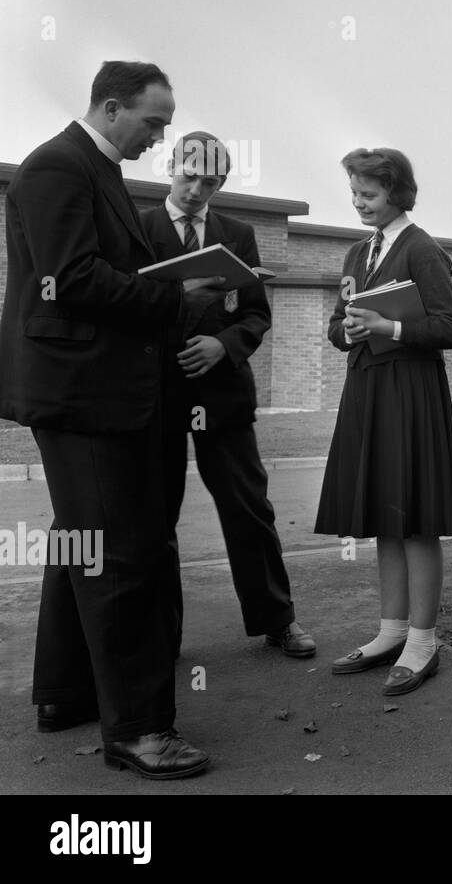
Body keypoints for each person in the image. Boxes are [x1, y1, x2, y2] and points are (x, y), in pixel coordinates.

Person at [0, 61, 225, 779]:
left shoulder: (92, 169)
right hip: (84, 396)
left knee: (82, 542)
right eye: (153, 123)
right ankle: (139, 731)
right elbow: (70, 280)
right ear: (110, 108)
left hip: (93, 390)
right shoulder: (58, 167)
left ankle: (65, 693)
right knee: (121, 556)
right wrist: (178, 299)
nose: (159, 139)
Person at [141, 133, 315, 661]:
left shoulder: (238, 235)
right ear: (171, 167)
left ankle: (276, 619)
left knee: (249, 509)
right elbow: (124, 306)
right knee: (153, 518)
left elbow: (256, 313)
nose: (196, 189)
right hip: (155, 396)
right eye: (188, 175)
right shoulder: (137, 228)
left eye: (210, 182)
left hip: (223, 396)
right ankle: (159, 638)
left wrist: (225, 345)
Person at [315, 149, 452, 696]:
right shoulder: (357, 252)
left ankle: (423, 641)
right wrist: (350, 331)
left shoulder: (423, 250)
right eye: (354, 193)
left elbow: (450, 329)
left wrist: (389, 327)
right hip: (368, 391)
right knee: (386, 513)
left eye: (370, 194)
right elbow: (337, 325)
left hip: (412, 392)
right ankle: (392, 631)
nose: (359, 203)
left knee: (416, 518)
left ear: (397, 193)